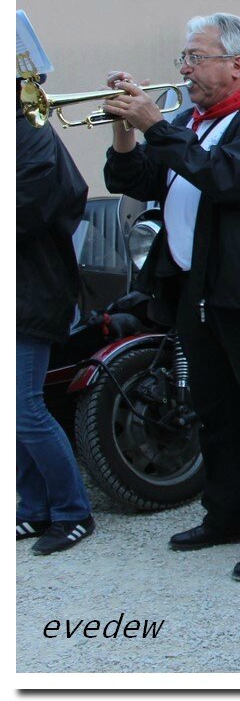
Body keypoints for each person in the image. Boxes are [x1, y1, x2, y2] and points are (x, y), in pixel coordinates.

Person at [103, 13, 240, 581]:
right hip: (194, 287)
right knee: (215, 411)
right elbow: (135, 181)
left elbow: (225, 177)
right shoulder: (195, 119)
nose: (185, 68)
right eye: (184, 58)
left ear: (234, 64)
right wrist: (126, 127)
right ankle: (227, 515)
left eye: (195, 57)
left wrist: (158, 128)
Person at [17, 69, 95, 556]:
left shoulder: (31, 130)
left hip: (32, 290)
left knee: (25, 408)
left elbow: (34, 204)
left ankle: (73, 513)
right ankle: (33, 508)